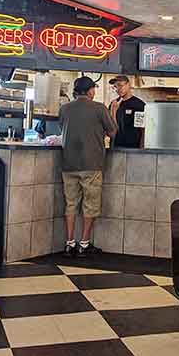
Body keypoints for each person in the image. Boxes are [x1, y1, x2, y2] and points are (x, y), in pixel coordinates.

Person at [59, 76, 117, 257]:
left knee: (70, 204)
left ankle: (69, 244)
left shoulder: (64, 108)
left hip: (68, 163)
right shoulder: (99, 108)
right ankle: (84, 244)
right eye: (94, 89)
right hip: (91, 163)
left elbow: (63, 128)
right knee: (90, 205)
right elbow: (113, 131)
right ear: (90, 90)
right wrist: (113, 111)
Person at [109, 75, 146, 148]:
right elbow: (111, 129)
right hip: (116, 147)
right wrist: (113, 111)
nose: (117, 89)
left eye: (120, 85)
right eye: (115, 87)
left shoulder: (139, 105)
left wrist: (142, 147)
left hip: (133, 148)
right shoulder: (113, 104)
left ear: (128, 85)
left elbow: (143, 129)